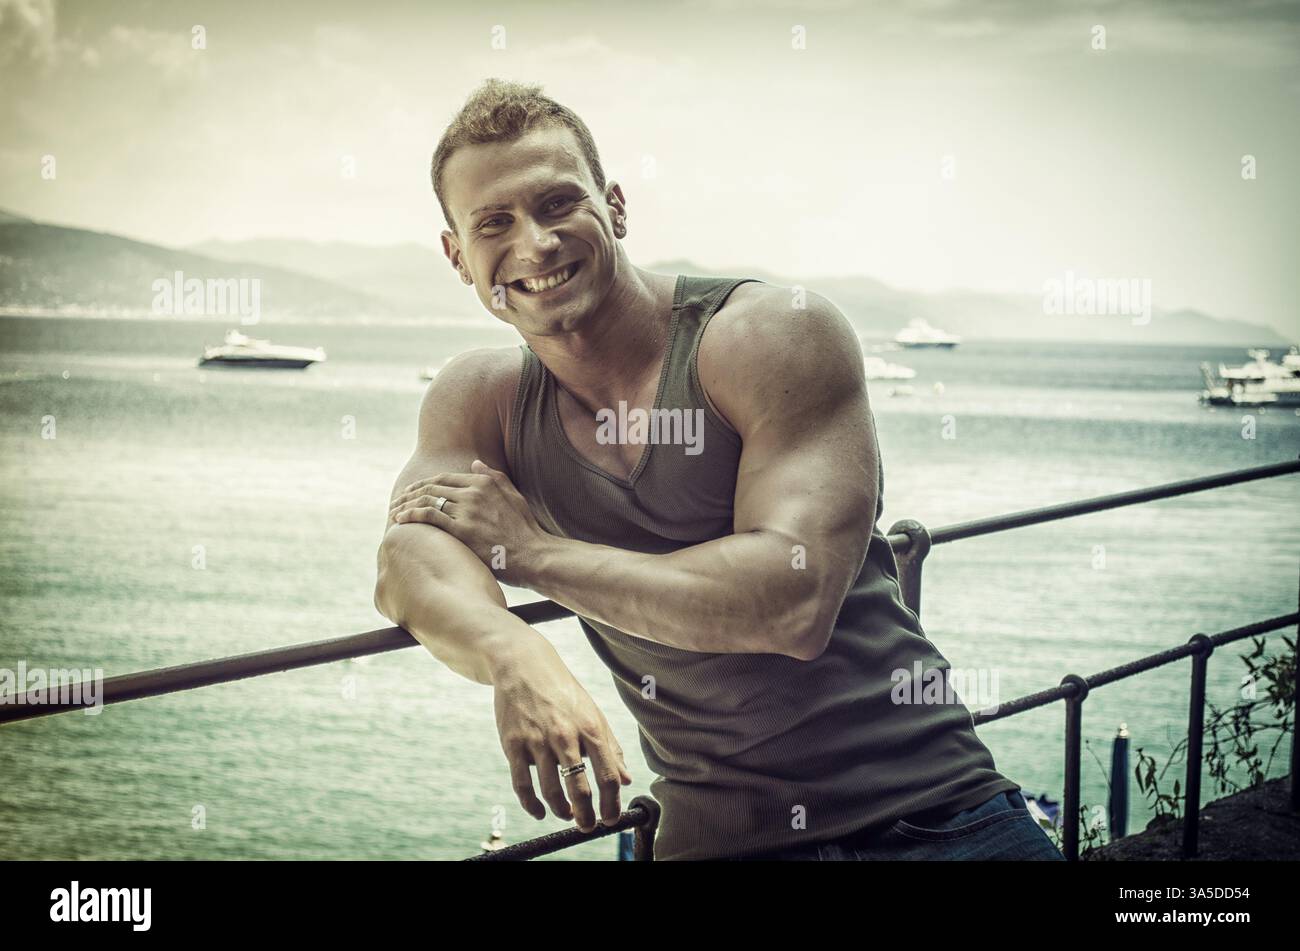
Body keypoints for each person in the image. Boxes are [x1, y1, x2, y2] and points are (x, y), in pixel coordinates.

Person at [374, 78, 1062, 861]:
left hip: (931, 817)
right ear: (457, 255)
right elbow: (405, 558)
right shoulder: (481, 397)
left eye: (559, 204)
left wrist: (531, 554)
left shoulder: (766, 336)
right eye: (494, 222)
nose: (534, 244)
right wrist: (514, 655)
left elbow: (789, 602)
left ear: (616, 207)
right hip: (712, 843)